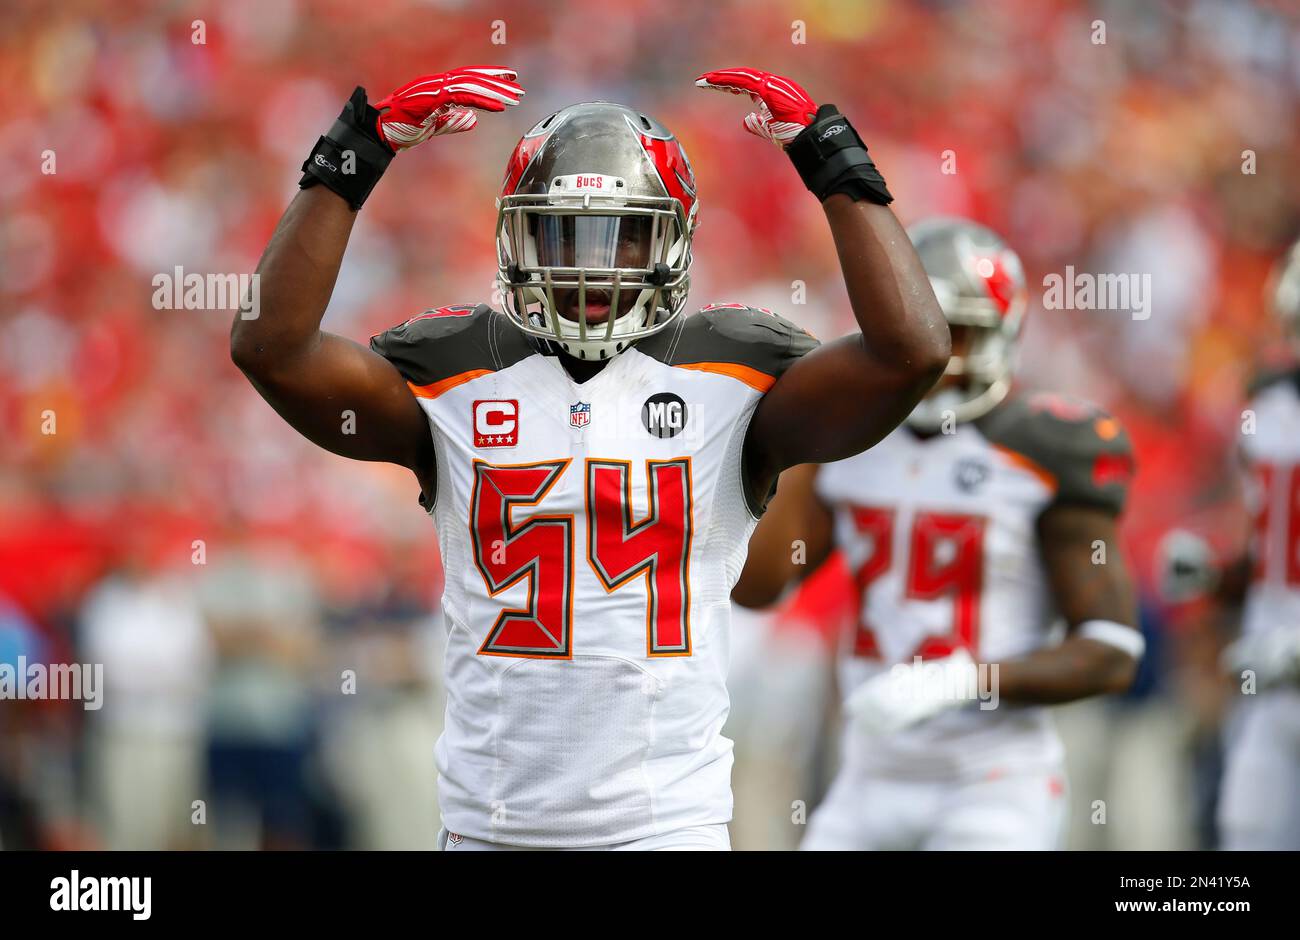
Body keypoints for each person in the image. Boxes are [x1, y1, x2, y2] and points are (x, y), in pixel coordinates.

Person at [229, 65, 949, 850]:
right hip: (488, 829)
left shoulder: (734, 373)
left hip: (665, 828)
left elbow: (910, 350)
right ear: (515, 235)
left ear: (673, 236)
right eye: (565, 232)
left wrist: (830, 155)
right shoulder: (454, 371)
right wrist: (356, 151)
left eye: (626, 232)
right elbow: (272, 347)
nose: (595, 264)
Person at [734, 218, 1143, 850]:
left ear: (1001, 335)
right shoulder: (853, 443)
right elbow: (758, 588)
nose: (936, 358)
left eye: (958, 335)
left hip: (994, 779)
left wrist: (967, 680)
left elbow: (1112, 649)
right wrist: (809, 435)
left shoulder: (1041, 449)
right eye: (921, 334)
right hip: (869, 772)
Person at [1159, 236, 1300, 849]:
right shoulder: (1269, 404)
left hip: (1279, 663)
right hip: (1269, 684)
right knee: (1246, 837)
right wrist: (1218, 575)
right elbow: (1276, 561)